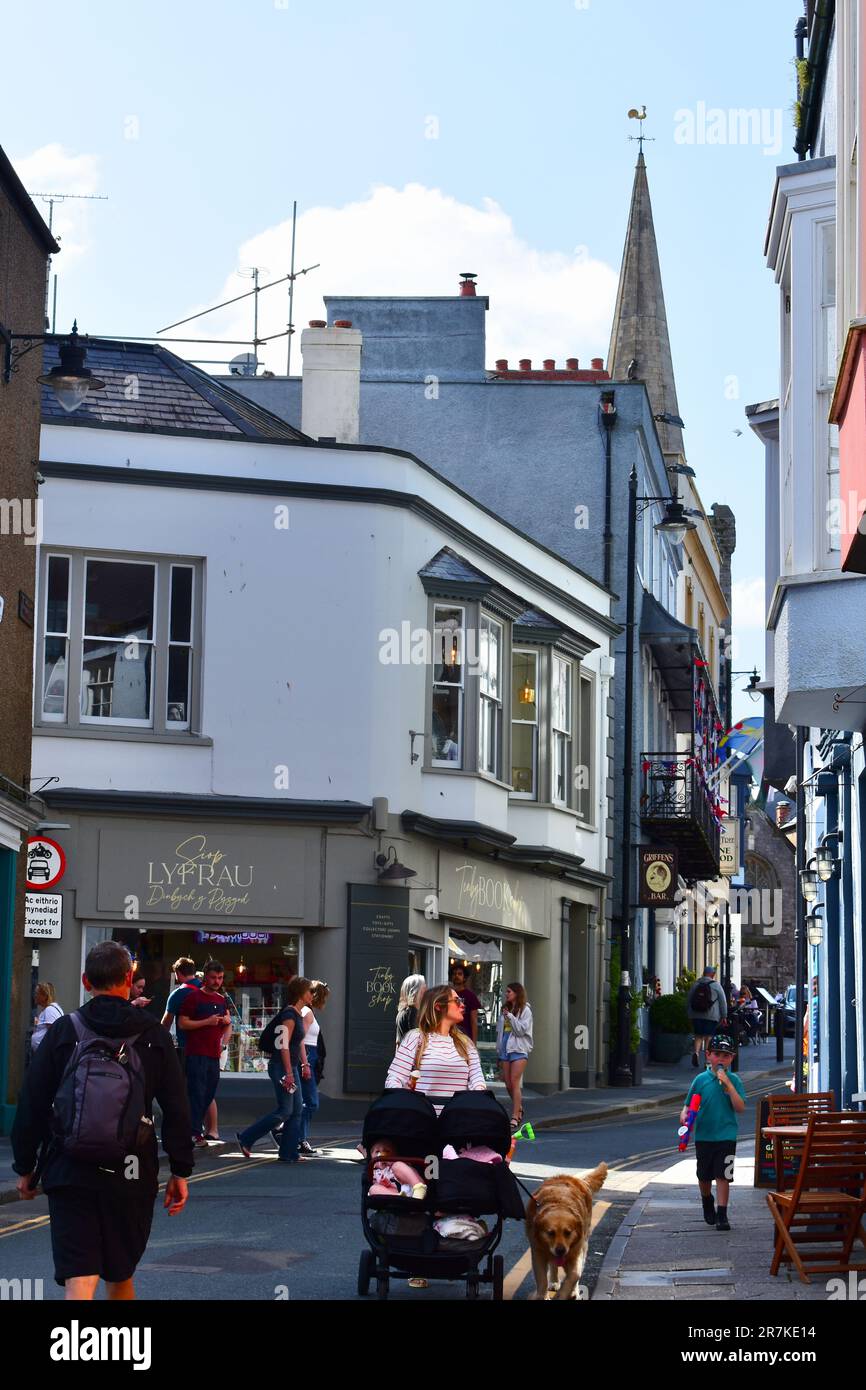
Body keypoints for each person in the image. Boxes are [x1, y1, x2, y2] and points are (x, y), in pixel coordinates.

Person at [12, 940, 192, 1300]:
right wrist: (180, 1170)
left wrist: (26, 1165)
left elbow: (32, 1100)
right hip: (131, 1171)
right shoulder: (154, 1035)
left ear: (85, 980)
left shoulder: (64, 1031)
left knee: (81, 1278)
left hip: (70, 1168)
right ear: (129, 978)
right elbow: (177, 1106)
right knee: (120, 1276)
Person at [236, 976, 314, 1164]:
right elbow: (284, 1046)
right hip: (281, 1067)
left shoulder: (298, 1013)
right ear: (301, 992)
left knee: (296, 1110)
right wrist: (288, 1073)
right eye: (310, 990)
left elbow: (299, 1042)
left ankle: (289, 1153)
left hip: (292, 1067)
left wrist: (304, 1064)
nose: (313, 994)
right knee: (285, 1110)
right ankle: (247, 1138)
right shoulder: (288, 1014)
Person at [679, 1033, 745, 1232]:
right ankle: (707, 1200)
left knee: (723, 1175)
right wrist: (684, 1116)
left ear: (731, 1058)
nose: (721, 1060)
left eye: (726, 1056)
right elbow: (688, 1105)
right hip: (705, 1136)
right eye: (717, 1054)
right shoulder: (700, 1080)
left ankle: (722, 1214)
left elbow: (740, 1107)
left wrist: (729, 1086)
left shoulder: (734, 1080)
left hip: (726, 1136)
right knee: (704, 1176)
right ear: (708, 1055)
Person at [386, 984, 486, 1109]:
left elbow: (477, 1079)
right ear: (438, 1006)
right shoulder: (416, 1038)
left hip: (457, 1121)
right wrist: (405, 1098)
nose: (462, 1005)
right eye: (457, 1001)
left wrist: (478, 1095)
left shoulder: (466, 1044)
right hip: (421, 1119)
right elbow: (394, 1079)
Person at [161, 958, 219, 1140]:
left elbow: (166, 1023)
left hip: (189, 1047)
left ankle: (193, 1129)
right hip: (212, 1046)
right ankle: (213, 1129)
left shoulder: (179, 993)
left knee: (191, 1089)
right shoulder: (208, 990)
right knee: (207, 1088)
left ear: (178, 974)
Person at [177, 959, 232, 1145]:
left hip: (213, 1054)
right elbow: (182, 1022)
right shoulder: (193, 998)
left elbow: (227, 1024)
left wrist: (223, 1041)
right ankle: (193, 1132)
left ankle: (195, 1130)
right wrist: (206, 1022)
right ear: (205, 977)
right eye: (213, 978)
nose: (217, 981)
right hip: (196, 1053)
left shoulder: (221, 1000)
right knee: (197, 1093)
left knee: (208, 1093)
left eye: (220, 978)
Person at [496, 982, 533, 1132]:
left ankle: (515, 1116)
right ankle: (519, 1108)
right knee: (507, 1083)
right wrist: (498, 1051)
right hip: (505, 1048)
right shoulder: (505, 1009)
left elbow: (521, 1031)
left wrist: (510, 1016)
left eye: (509, 991)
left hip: (518, 1049)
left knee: (514, 1082)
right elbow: (500, 1032)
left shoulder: (525, 1010)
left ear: (517, 993)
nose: (506, 994)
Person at [299, 980, 329, 1156]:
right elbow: (299, 1038)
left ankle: (298, 1138)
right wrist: (305, 1063)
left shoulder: (309, 1012)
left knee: (305, 1101)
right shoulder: (307, 1012)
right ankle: (295, 1136)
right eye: (324, 997)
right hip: (307, 1057)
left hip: (310, 1056)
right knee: (311, 1102)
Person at [686, 965, 728, 1068]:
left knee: (698, 1035)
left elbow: (689, 999)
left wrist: (689, 1013)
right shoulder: (716, 985)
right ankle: (708, 1061)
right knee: (708, 1037)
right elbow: (723, 1002)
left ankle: (696, 1052)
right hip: (711, 1015)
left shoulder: (696, 984)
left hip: (696, 1014)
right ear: (713, 975)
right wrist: (724, 1016)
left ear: (703, 973)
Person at [449, 964, 481, 1043]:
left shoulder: (471, 996)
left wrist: (474, 1043)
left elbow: (474, 1021)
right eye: (454, 974)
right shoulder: (447, 994)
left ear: (464, 978)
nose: (456, 976)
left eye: (460, 974)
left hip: (465, 1037)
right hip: (449, 1036)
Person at [31, 982, 63, 1053]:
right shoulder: (49, 1009)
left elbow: (53, 1034)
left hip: (46, 1055)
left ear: (45, 996)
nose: (35, 996)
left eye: (37, 993)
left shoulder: (50, 1010)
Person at [395, 974, 426, 1045]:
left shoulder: (404, 1011)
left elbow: (398, 1042)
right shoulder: (412, 1012)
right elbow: (416, 1042)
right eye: (423, 988)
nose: (426, 991)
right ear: (416, 991)